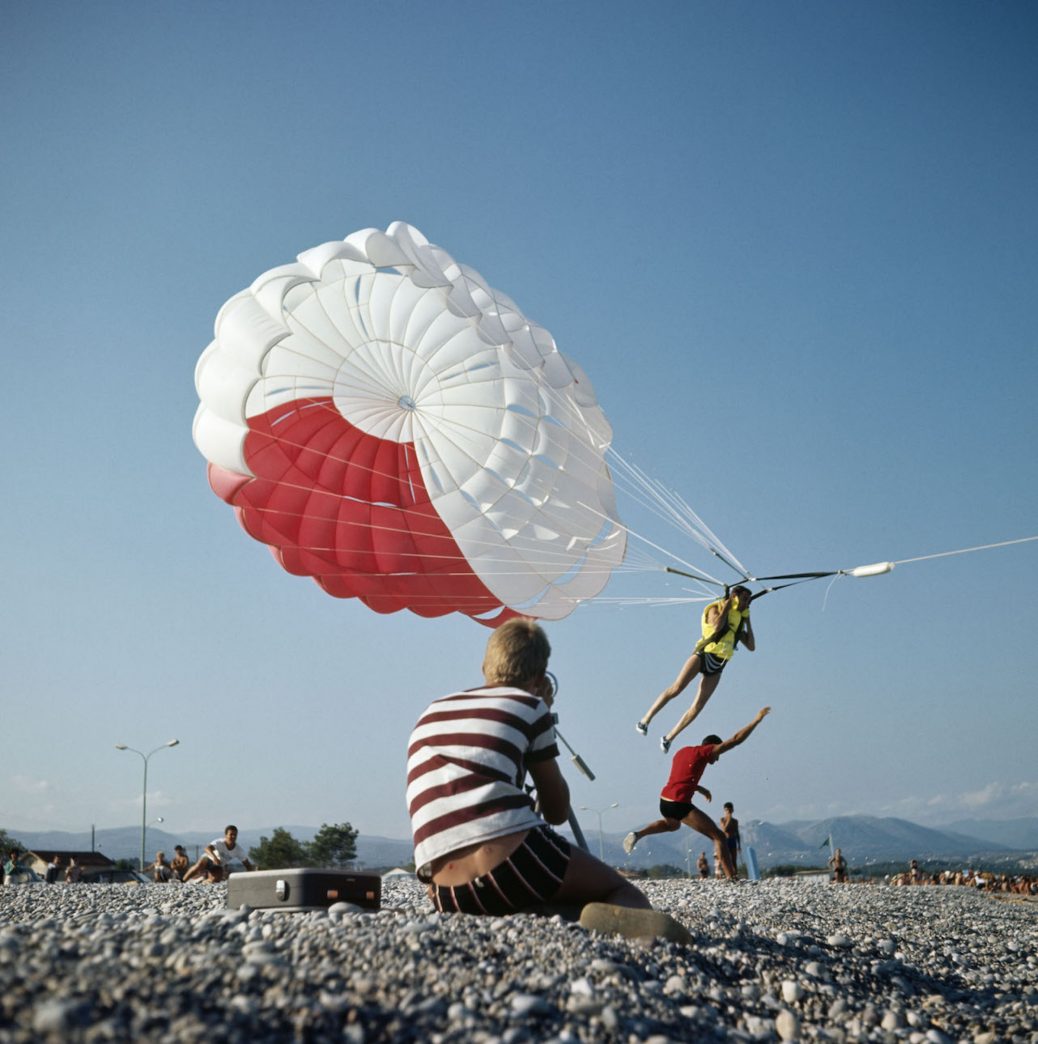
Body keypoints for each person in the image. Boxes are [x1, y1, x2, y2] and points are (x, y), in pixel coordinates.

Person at [407, 617, 651, 917]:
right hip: (516, 864)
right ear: (540, 677)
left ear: (486, 666)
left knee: (541, 900)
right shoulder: (530, 707)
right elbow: (556, 812)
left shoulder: (432, 712)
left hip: (448, 893)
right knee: (624, 893)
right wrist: (544, 711)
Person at [623, 707, 771, 878]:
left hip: (664, 801)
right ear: (713, 747)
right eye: (718, 755)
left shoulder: (683, 752)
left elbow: (681, 777)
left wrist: (700, 789)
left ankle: (638, 834)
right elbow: (736, 740)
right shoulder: (705, 752)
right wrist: (757, 719)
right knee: (719, 836)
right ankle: (731, 878)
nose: (716, 760)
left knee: (673, 825)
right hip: (679, 803)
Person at [636, 586, 756, 753]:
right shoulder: (716, 608)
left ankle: (669, 737)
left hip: (718, 665)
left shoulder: (739, 620)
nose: (747, 602)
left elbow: (751, 646)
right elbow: (716, 627)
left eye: (749, 600)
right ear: (735, 596)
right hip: (703, 655)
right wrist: (727, 607)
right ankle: (645, 720)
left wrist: (747, 619)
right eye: (745, 598)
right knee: (676, 688)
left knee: (698, 706)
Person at [182, 825, 255, 882]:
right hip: (209, 858)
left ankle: (202, 881)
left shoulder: (238, 850)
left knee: (216, 879)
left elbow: (247, 864)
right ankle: (183, 881)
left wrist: (252, 877)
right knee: (199, 866)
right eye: (231, 834)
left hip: (218, 865)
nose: (233, 837)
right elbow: (207, 848)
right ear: (226, 835)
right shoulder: (219, 842)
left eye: (235, 835)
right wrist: (214, 858)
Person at [720, 802, 741, 877]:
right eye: (726, 810)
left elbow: (737, 833)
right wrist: (729, 818)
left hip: (733, 840)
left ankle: (735, 875)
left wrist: (739, 845)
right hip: (726, 841)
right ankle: (725, 875)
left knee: (734, 860)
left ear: (732, 810)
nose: (728, 812)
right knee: (726, 859)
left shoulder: (735, 821)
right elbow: (725, 829)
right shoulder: (722, 820)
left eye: (729, 810)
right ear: (724, 811)